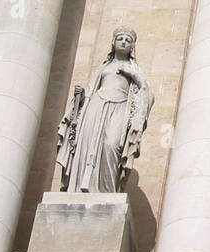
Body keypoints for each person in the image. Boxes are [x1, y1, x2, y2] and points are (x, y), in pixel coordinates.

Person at [57, 28, 154, 193]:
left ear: (132, 47)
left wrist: (135, 76)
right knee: (87, 144)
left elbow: (147, 94)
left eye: (128, 40)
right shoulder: (104, 67)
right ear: (113, 43)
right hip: (96, 106)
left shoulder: (134, 69)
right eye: (120, 38)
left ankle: (107, 191)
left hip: (120, 108)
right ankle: (80, 186)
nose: (123, 41)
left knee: (111, 145)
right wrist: (80, 96)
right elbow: (91, 90)